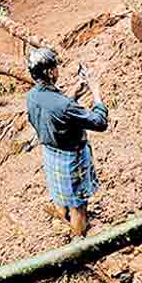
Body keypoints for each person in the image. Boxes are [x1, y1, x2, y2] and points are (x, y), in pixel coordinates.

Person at [25, 47, 108, 238]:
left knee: (59, 193)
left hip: (51, 152)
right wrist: (96, 93)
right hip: (71, 157)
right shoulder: (64, 105)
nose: (57, 70)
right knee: (79, 205)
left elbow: (55, 115)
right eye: (55, 66)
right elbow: (100, 123)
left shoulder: (32, 96)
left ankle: (61, 216)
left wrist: (75, 94)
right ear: (49, 72)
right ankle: (78, 239)